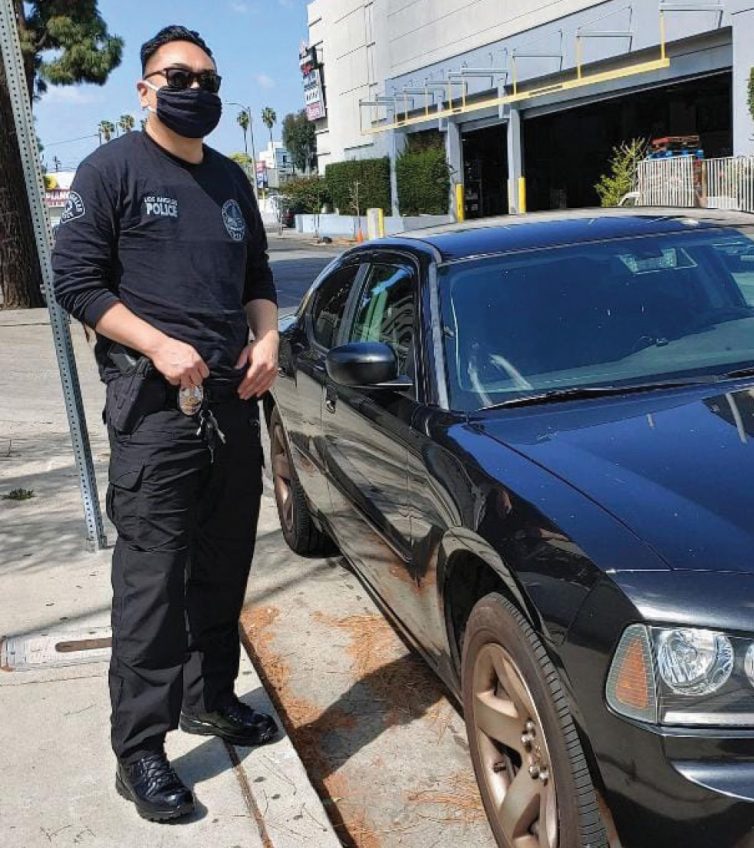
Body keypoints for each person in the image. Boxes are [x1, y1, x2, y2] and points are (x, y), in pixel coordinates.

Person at [52, 25, 279, 823]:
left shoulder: (229, 180)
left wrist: (270, 336)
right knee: (151, 587)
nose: (196, 89)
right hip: (155, 411)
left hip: (234, 404)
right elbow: (74, 280)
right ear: (145, 88)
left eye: (209, 78)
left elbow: (256, 277)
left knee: (222, 568)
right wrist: (156, 344)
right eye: (177, 75)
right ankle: (140, 752)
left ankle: (209, 699)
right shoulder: (111, 170)